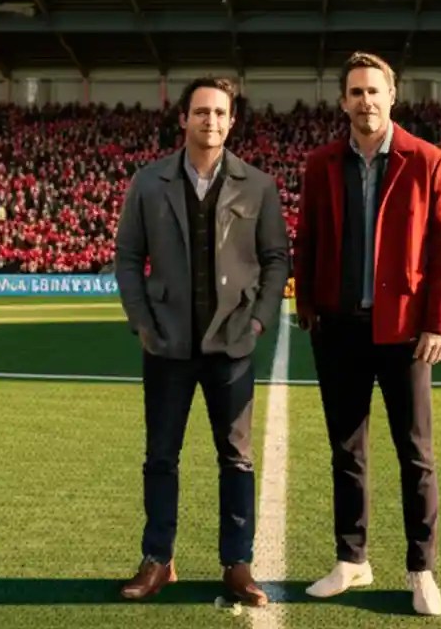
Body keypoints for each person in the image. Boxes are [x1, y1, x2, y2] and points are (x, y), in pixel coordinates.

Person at [293, 52, 441, 617]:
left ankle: (421, 570)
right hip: (338, 329)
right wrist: (308, 304)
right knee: (347, 451)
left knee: (415, 454)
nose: (365, 101)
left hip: (405, 332)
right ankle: (351, 559)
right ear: (342, 101)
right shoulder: (321, 163)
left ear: (393, 96)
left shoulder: (429, 160)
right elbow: (308, 237)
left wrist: (439, 321)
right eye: (355, 92)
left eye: (374, 91)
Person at [113, 76, 289, 606]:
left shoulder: (258, 185)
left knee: (236, 459)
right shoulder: (148, 183)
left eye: (219, 113)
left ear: (231, 121)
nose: (209, 121)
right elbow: (126, 257)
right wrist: (142, 321)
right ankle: (157, 560)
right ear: (183, 119)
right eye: (200, 112)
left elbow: (277, 258)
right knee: (161, 457)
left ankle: (237, 565)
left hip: (231, 345)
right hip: (166, 345)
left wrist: (258, 320)